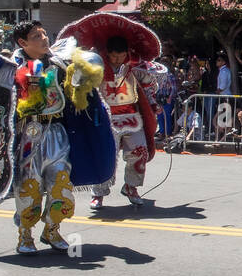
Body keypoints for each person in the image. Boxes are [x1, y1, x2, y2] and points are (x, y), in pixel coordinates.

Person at [0, 11, 115, 254]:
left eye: (43, 34)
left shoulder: (60, 65)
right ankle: (25, 235)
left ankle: (52, 229)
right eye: (36, 36)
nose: (43, 38)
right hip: (28, 135)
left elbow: (76, 96)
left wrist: (84, 84)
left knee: (61, 187)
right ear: (22, 43)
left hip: (58, 133)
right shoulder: (9, 69)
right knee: (29, 188)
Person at [59, 17, 166, 211]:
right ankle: (98, 194)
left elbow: (149, 85)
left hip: (133, 117)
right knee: (105, 156)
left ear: (126, 53)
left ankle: (131, 187)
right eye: (113, 56)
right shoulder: (95, 66)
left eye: (120, 55)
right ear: (107, 53)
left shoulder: (136, 67)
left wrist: (153, 103)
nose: (116, 59)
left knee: (139, 152)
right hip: (106, 119)